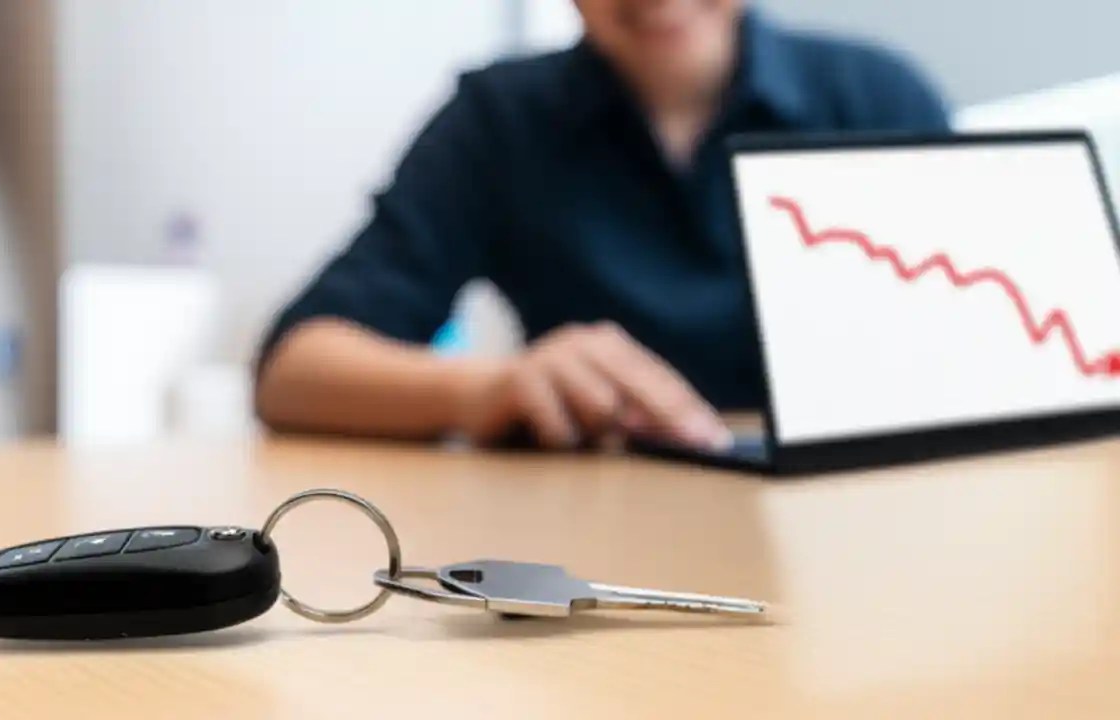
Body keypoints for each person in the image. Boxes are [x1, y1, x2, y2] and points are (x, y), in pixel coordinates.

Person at [255, 0, 949, 451]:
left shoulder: (881, 97)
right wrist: (489, 389)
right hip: (594, 535)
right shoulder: (500, 119)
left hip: (853, 528)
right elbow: (296, 369)